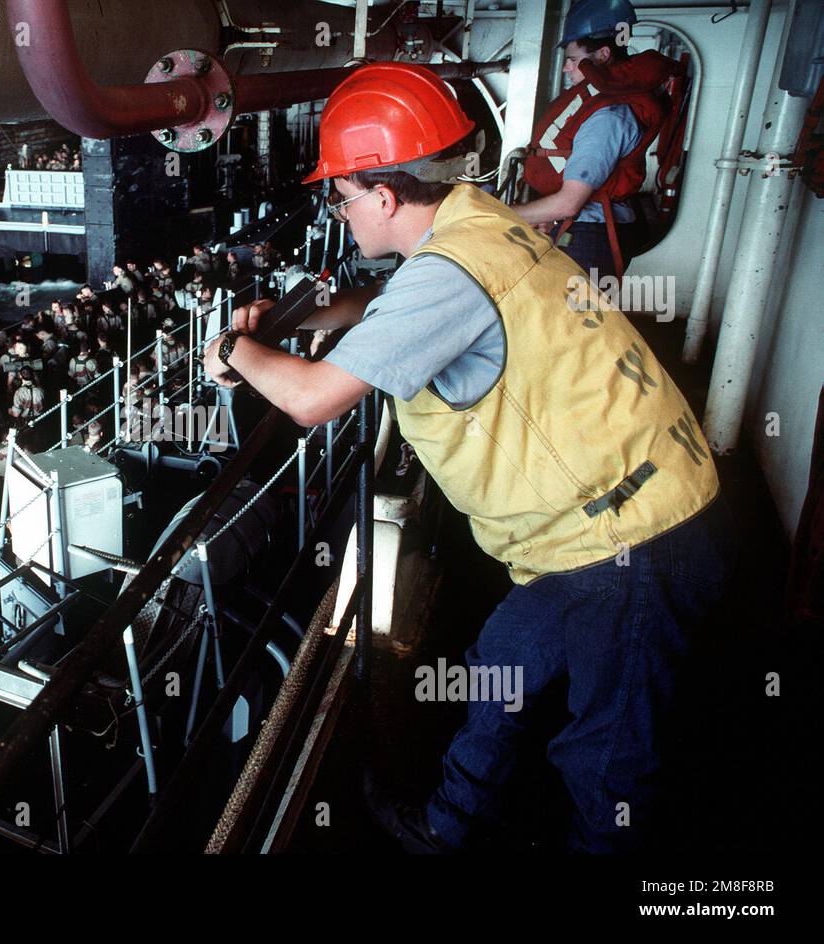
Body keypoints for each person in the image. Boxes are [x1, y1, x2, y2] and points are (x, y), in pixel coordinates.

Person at [204, 61, 729, 853]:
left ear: (384, 197)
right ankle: (450, 825)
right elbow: (403, 298)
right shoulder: (478, 223)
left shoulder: (448, 272)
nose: (342, 216)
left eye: (343, 200)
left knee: (608, 764)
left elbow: (310, 400)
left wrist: (233, 349)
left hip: (629, 543)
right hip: (607, 519)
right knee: (501, 665)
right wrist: (303, 311)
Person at [514, 0, 679, 278]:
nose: (567, 68)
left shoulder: (608, 116)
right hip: (578, 229)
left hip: (590, 238)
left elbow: (569, 203)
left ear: (602, 55)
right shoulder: (598, 104)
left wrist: (501, 215)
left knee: (572, 321)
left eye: (573, 59)